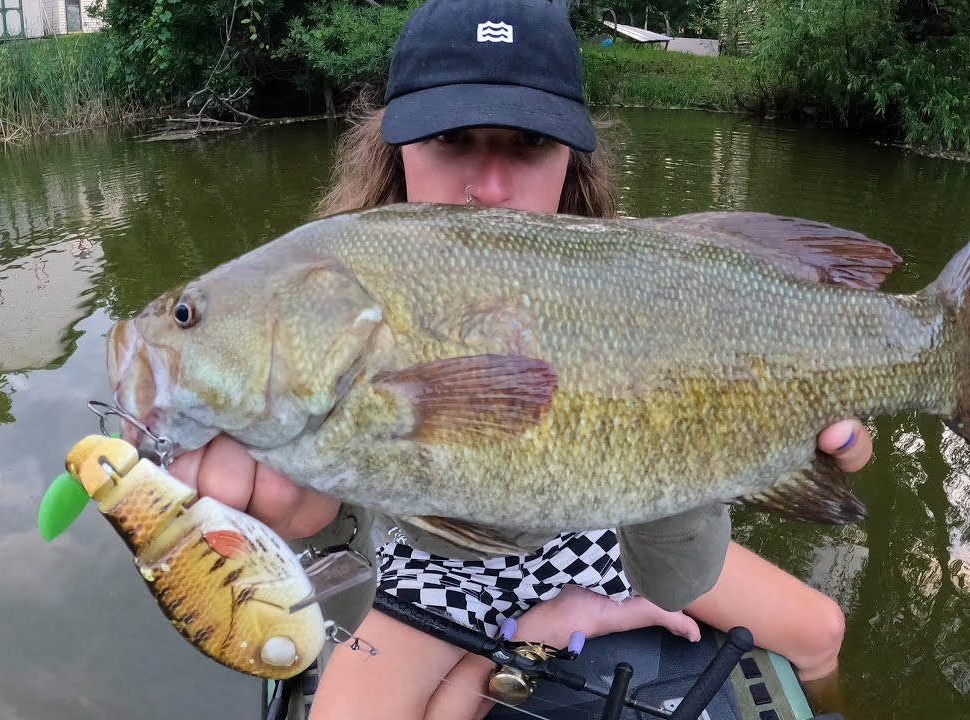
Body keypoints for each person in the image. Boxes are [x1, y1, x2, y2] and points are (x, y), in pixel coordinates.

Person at [167, 0, 873, 717]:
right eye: (452, 138)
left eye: (529, 143)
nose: (492, 187)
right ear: (395, 147)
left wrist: (793, 418)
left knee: (820, 630)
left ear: (571, 158)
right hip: (436, 562)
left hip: (593, 528)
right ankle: (530, 636)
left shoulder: (643, 274)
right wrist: (268, 508)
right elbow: (315, 499)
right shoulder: (323, 284)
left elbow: (693, 510)